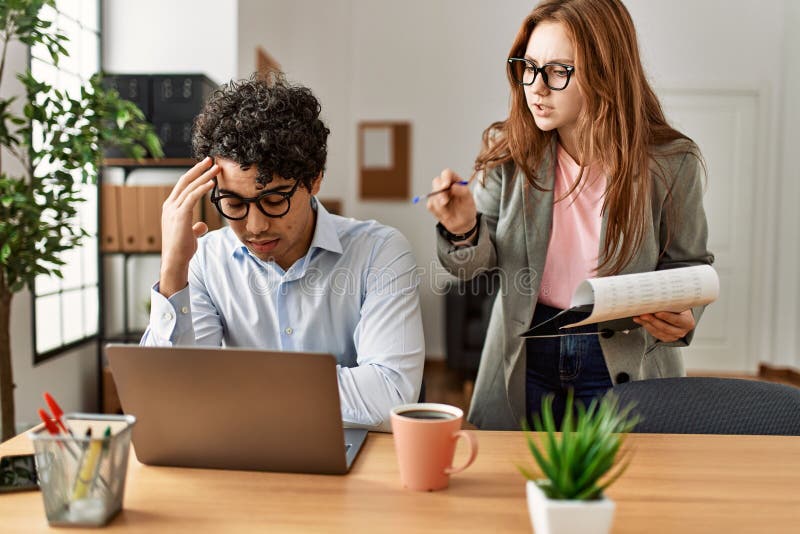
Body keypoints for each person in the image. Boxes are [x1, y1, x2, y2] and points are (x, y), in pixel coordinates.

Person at [427, 0, 714, 430]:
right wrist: (463, 228)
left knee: (628, 489)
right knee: (510, 488)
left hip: (622, 351)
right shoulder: (508, 150)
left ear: (606, 73)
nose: (536, 88)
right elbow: (474, 267)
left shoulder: (671, 161)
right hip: (528, 348)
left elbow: (690, 266)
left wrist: (686, 314)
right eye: (529, 66)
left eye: (558, 71)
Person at [141, 75, 424, 432]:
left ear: (315, 179)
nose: (255, 226)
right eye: (233, 203)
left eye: (274, 201)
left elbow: (391, 395)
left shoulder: (380, 253)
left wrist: (232, 386)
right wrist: (172, 271)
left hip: (351, 458)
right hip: (241, 455)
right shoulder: (204, 261)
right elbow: (169, 396)